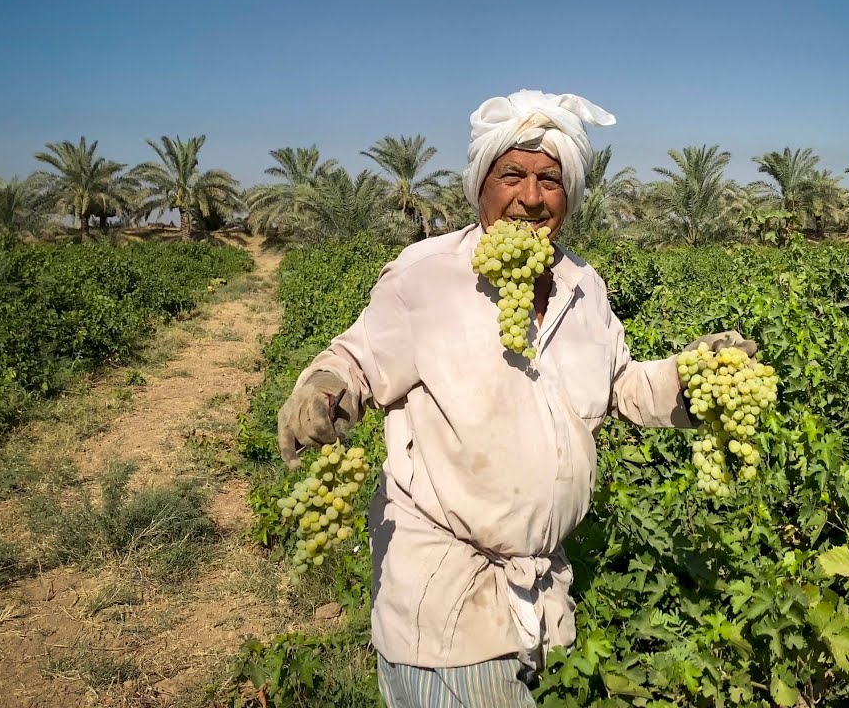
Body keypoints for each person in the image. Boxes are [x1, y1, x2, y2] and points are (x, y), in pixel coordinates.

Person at [276, 89, 755, 707]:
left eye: (550, 181)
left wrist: (694, 376)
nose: (531, 197)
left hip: (542, 594)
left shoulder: (583, 287)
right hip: (446, 598)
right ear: (480, 185)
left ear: (569, 195)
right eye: (512, 176)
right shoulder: (425, 277)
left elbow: (621, 385)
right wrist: (323, 389)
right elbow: (356, 361)